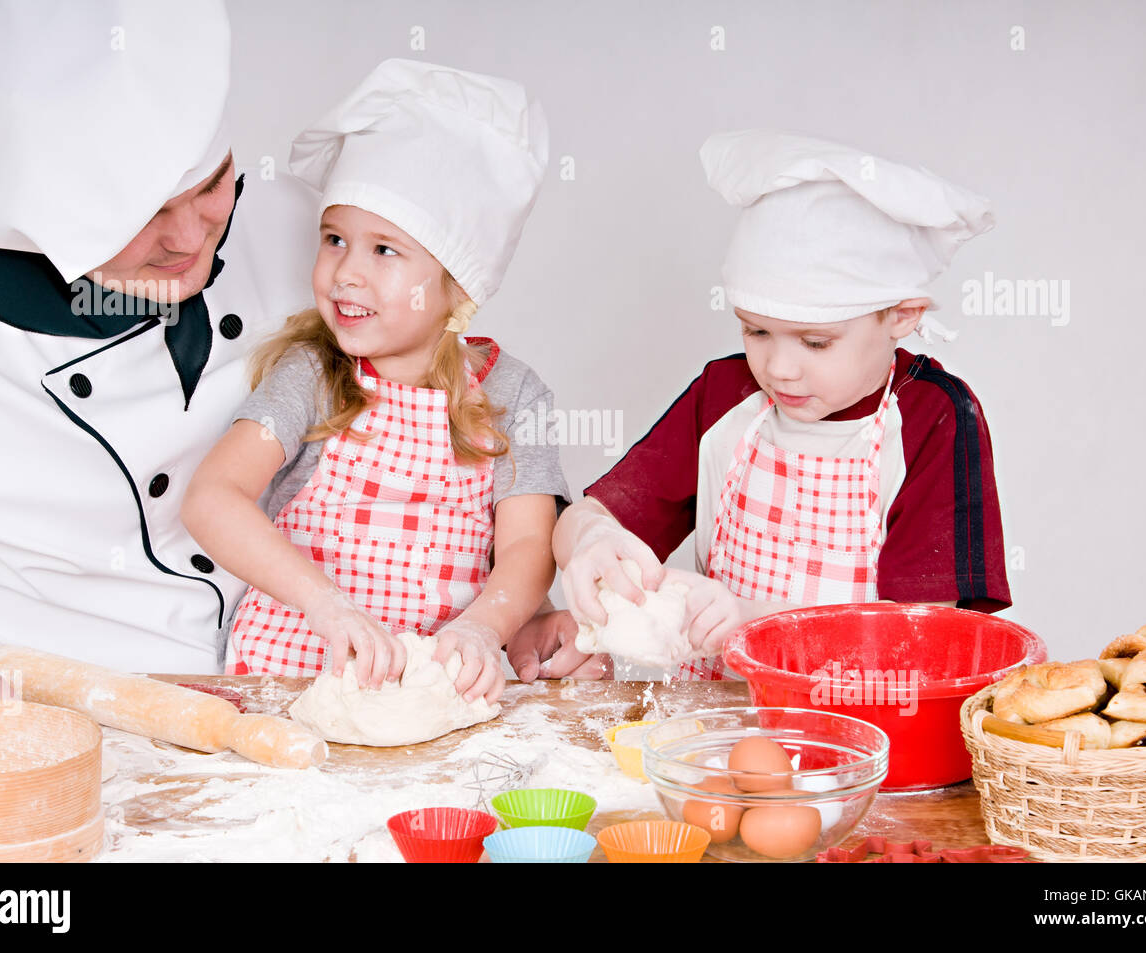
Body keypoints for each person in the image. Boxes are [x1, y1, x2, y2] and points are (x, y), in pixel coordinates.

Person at [509, 131, 1012, 680]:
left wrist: (752, 620)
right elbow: (591, 513)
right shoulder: (728, 393)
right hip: (721, 720)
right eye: (756, 331)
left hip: (868, 732)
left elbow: (923, 632)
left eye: (815, 342)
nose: (778, 368)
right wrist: (590, 540)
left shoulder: (934, 418)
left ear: (902, 316)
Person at [0, 0, 315, 672]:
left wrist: (546, 544)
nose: (190, 239)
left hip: (300, 687)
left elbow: (451, 399)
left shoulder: (306, 235)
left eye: (210, 186)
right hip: (67, 730)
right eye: (146, 215)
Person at [181, 60, 570, 705]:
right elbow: (212, 498)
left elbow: (530, 543)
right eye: (334, 238)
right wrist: (329, 607)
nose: (345, 274)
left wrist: (482, 628)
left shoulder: (512, 394)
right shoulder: (313, 375)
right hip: (294, 679)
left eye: (384, 249)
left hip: (440, 688)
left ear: (457, 287)